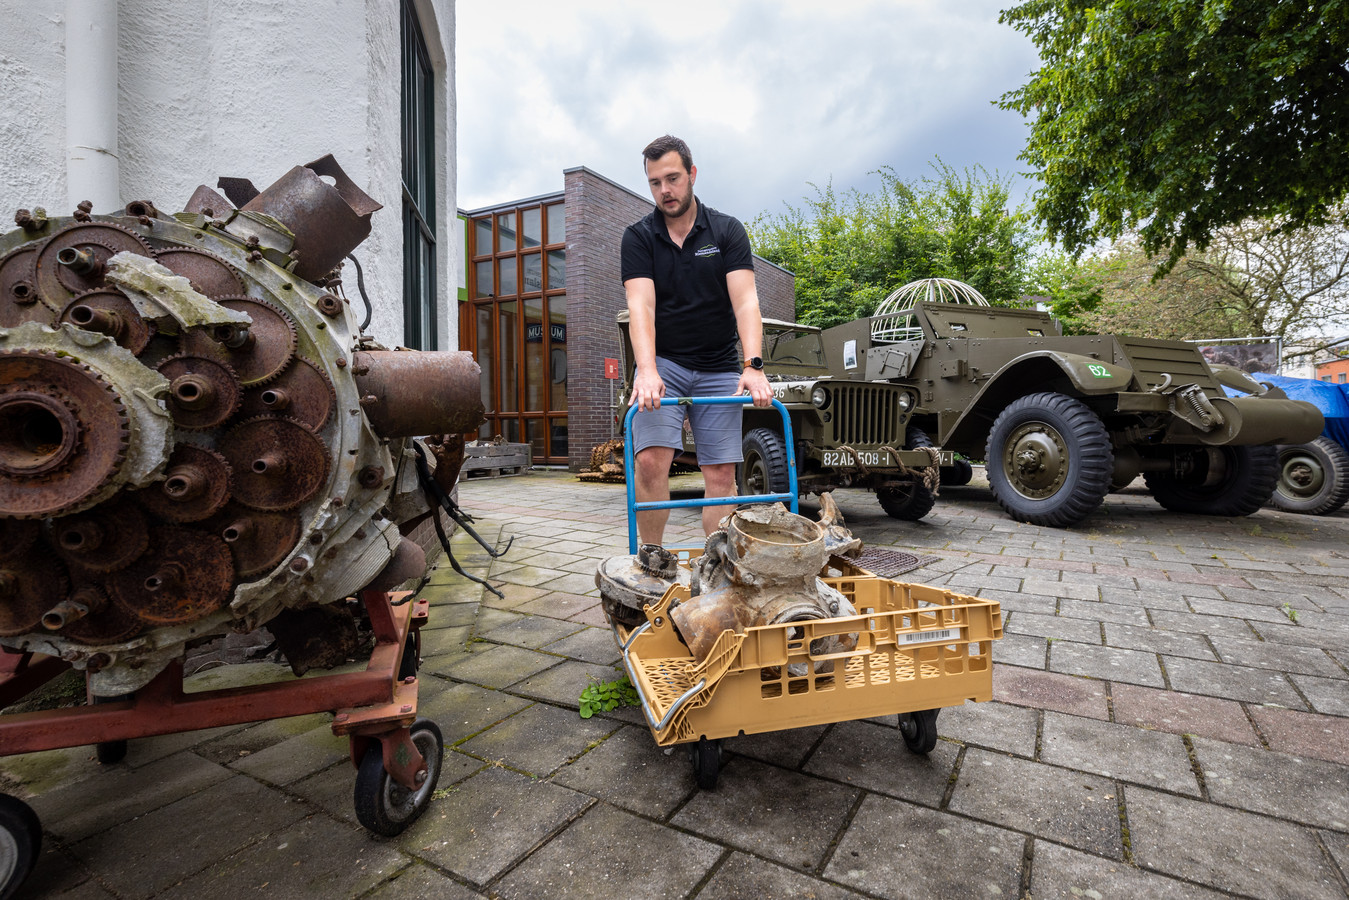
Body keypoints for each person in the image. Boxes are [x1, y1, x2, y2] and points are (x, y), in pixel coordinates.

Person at [620, 134, 773, 546]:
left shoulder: (725, 231)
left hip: (718, 364)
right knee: (650, 462)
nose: (664, 190)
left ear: (692, 174)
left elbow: (745, 304)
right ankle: (650, 558)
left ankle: (716, 563)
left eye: (672, 178)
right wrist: (647, 370)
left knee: (721, 473)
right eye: (655, 182)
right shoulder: (638, 237)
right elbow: (641, 307)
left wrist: (753, 366)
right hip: (664, 362)